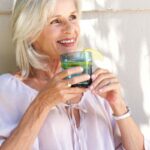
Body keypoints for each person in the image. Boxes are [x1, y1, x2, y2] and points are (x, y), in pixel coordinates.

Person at [0, 0, 149, 149]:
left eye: (72, 17)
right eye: (56, 21)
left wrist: (119, 105)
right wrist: (43, 103)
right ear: (30, 32)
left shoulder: (97, 88)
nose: (70, 28)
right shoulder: (7, 91)